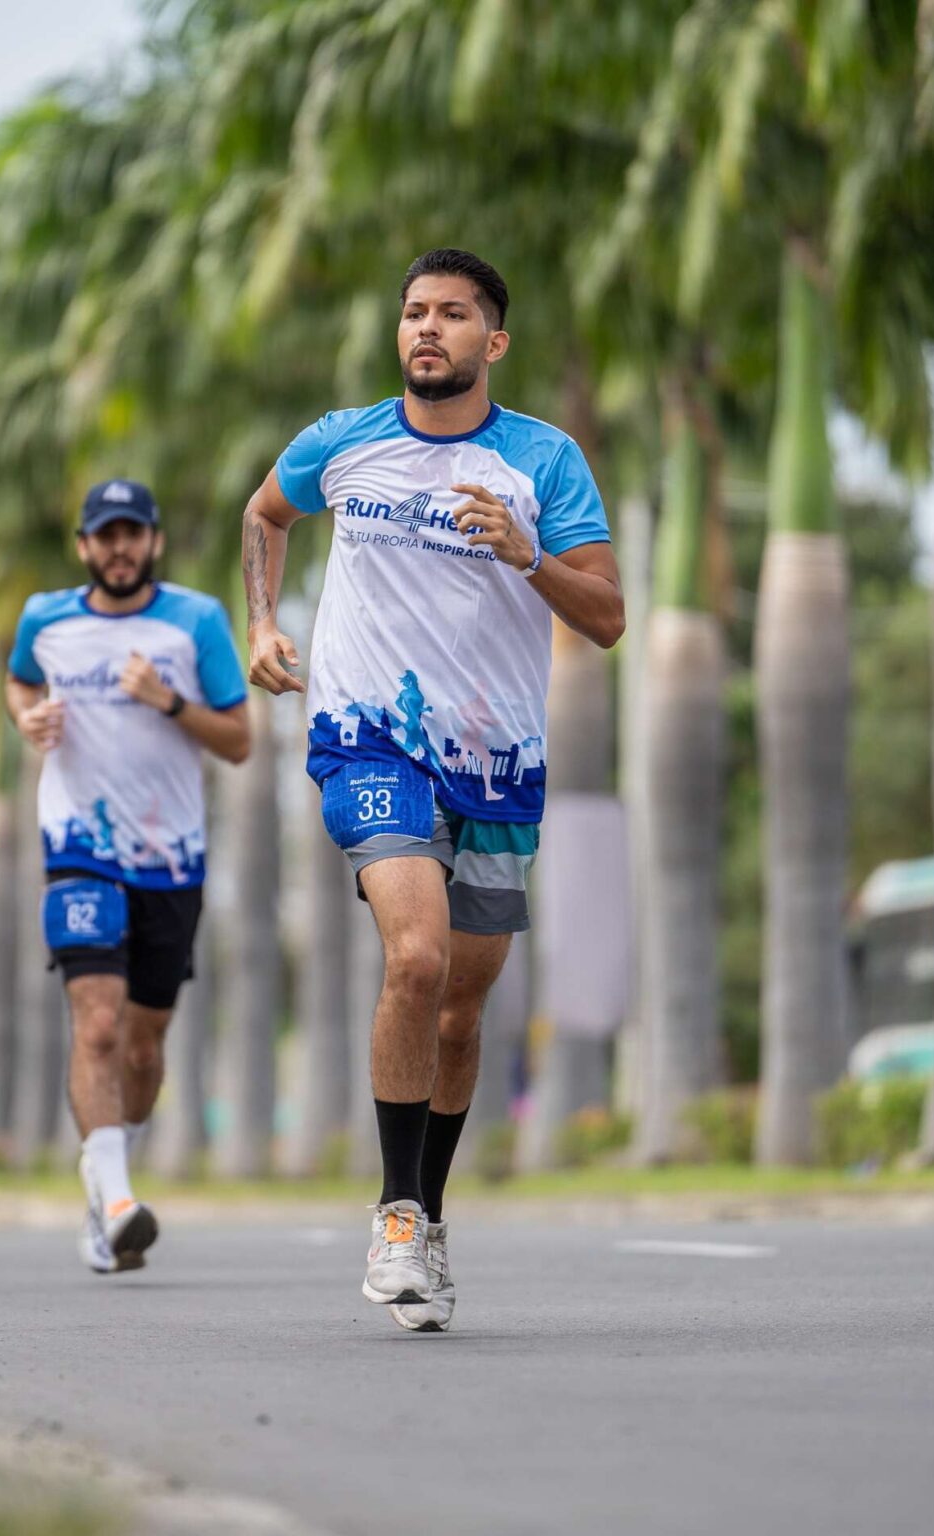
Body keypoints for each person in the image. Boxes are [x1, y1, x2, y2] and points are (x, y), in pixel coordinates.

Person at [241, 248, 624, 1329]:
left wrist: (524, 554)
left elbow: (605, 616)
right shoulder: (342, 442)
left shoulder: (541, 464)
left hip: (496, 763)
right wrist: (263, 621)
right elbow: (264, 513)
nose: (427, 330)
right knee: (412, 956)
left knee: (461, 1011)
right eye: (413, 312)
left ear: (491, 343)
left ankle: (432, 1213)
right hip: (368, 742)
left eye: (452, 315)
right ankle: (397, 1213)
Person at [5, 479, 250, 1273]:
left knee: (143, 1046)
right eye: (104, 535)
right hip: (78, 845)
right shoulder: (45, 619)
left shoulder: (196, 621)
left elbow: (240, 740)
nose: (119, 548)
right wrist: (25, 714)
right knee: (99, 1023)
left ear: (154, 542)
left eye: (132, 534)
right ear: (83, 546)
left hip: (171, 858)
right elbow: (19, 678)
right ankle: (114, 1205)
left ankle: (109, 1175)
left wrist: (168, 701)